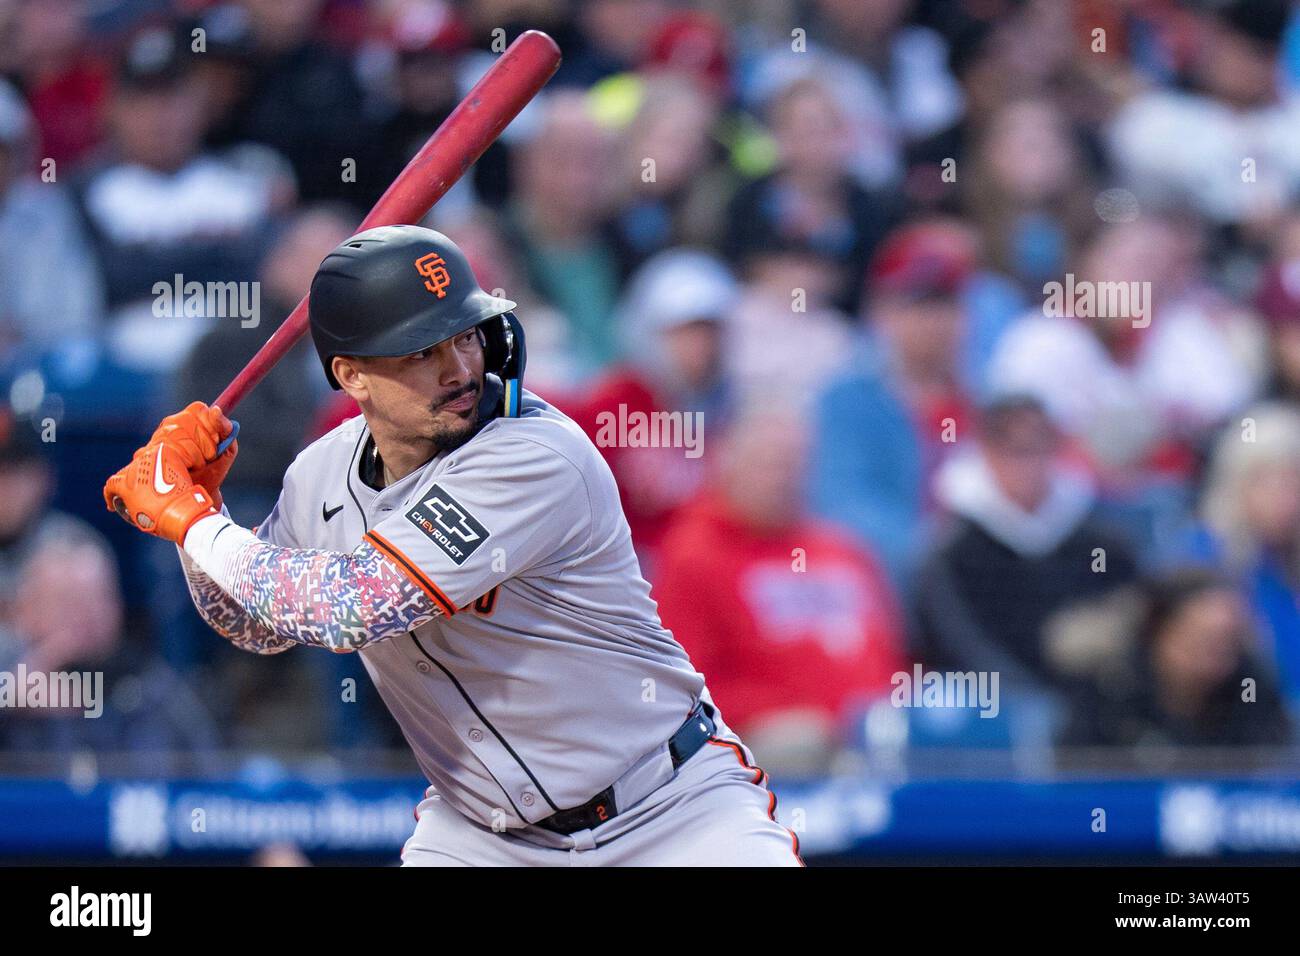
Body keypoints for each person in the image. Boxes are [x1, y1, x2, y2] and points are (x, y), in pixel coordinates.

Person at [101, 224, 802, 867]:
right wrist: (203, 516)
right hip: (484, 836)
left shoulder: (533, 453)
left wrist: (193, 523)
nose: (459, 368)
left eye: (464, 336)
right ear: (351, 375)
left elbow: (351, 606)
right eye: (421, 351)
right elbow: (254, 626)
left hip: (668, 810)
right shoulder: (321, 471)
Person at [654, 412, 905, 777]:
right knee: (805, 741)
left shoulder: (844, 551)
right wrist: (815, 713)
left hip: (878, 733)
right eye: (769, 463)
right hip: (768, 749)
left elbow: (891, 660)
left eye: (793, 464)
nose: (783, 478)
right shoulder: (694, 556)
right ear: (728, 462)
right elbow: (684, 693)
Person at [914, 394, 1138, 701]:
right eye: (1016, 451)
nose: (1029, 466)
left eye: (1038, 448)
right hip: (992, 704)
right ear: (988, 453)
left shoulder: (1095, 540)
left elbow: (1127, 606)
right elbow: (958, 643)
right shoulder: (954, 552)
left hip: (1090, 698)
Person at [1061, 569, 1291, 753]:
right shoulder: (1109, 691)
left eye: (1228, 641)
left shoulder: (1253, 691)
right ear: (1158, 632)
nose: (1217, 653)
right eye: (1201, 639)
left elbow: (1272, 779)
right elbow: (1075, 783)